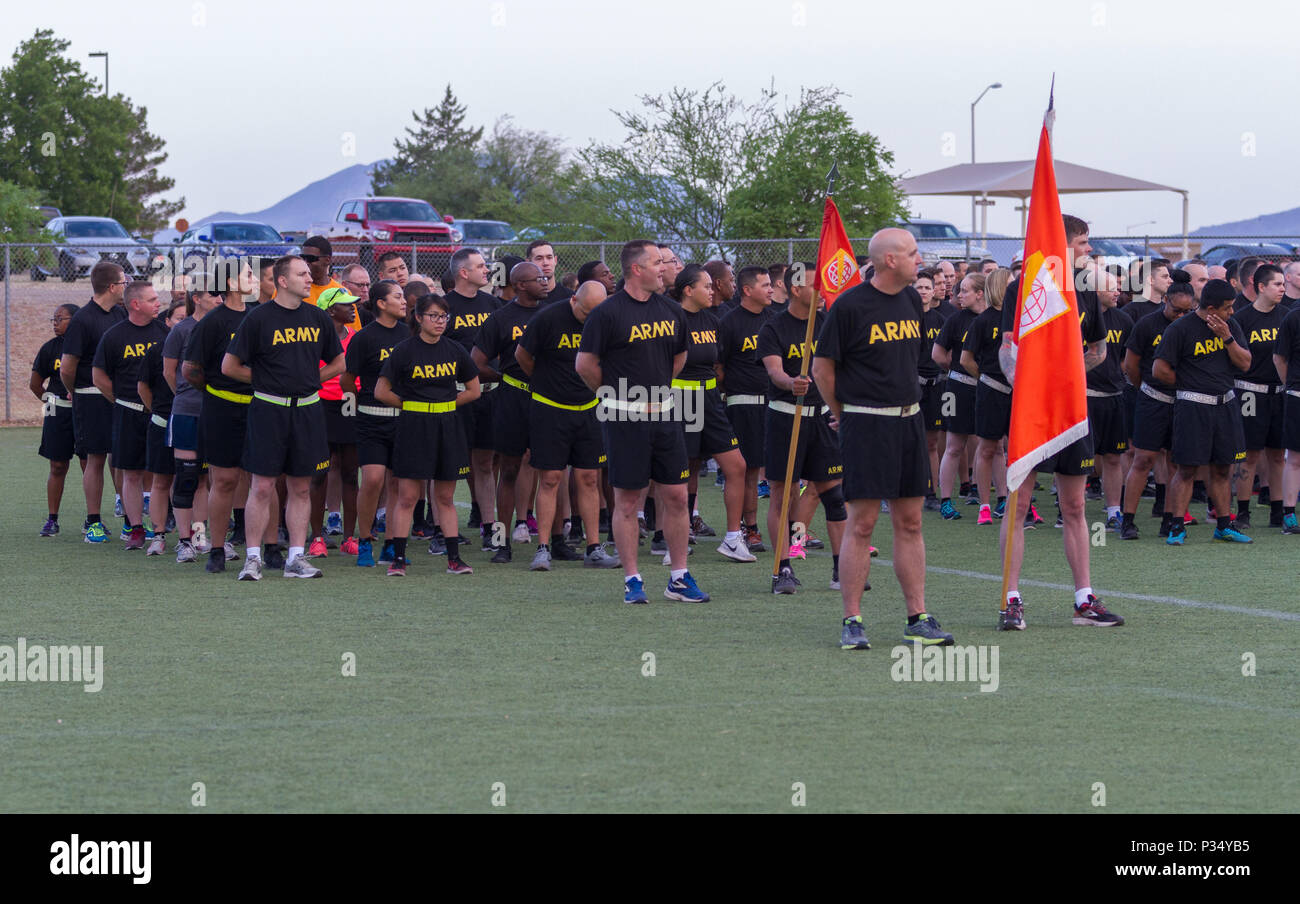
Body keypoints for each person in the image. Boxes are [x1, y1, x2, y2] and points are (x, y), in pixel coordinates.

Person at [811, 227, 949, 650]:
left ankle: (917, 617)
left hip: (909, 421)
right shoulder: (850, 306)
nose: (918, 258)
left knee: (910, 521)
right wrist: (845, 416)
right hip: (866, 425)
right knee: (863, 523)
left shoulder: (911, 299)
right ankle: (852, 619)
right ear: (889, 260)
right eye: (911, 253)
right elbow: (822, 370)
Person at [997, 214, 1123, 628]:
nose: (1089, 249)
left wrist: (1070, 381)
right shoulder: (1023, 287)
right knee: (1019, 505)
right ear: (1061, 243)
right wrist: (1035, 389)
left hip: (1073, 411)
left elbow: (1100, 349)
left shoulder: (1085, 289)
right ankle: (1010, 598)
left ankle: (1084, 599)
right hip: (1032, 412)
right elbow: (1007, 350)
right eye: (1083, 242)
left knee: (1073, 505)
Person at [576, 240, 707, 604]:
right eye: (656, 263)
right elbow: (585, 365)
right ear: (637, 269)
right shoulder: (607, 313)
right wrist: (618, 396)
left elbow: (678, 357)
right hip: (622, 415)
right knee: (627, 499)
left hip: (666, 411)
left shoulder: (671, 310)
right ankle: (633, 579)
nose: (664, 268)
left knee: (677, 495)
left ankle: (679, 577)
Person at [222, 254, 346, 580]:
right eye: (302, 274)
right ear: (282, 280)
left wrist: (307, 381)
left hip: (307, 409)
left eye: (309, 273)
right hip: (268, 409)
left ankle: (295, 558)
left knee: (301, 488)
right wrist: (268, 382)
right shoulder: (258, 318)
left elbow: (339, 363)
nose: (309, 278)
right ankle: (252, 558)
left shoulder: (317, 318)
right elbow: (229, 366)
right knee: (262, 487)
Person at [515, 280, 620, 570]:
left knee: (589, 479)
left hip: (588, 409)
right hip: (549, 409)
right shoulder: (547, 318)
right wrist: (546, 383)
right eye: (586, 312)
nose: (590, 319)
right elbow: (522, 356)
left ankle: (593, 548)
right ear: (574, 299)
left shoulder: (604, 320)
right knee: (550, 479)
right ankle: (543, 548)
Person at [373, 293, 480, 576]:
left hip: (448, 427)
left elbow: (474, 390)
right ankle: (398, 559)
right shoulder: (404, 350)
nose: (439, 321)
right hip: (414, 427)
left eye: (443, 316)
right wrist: (412, 407)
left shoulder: (455, 349)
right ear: (418, 318)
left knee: (444, 497)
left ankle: (454, 559)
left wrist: (444, 406)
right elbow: (381, 391)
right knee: (408, 496)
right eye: (433, 315)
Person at [760, 264, 847, 593]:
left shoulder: (829, 324)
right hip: (786, 416)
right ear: (796, 290)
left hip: (823, 417)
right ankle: (782, 569)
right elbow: (774, 371)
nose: (823, 292)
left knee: (834, 495)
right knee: (783, 496)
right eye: (816, 286)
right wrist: (790, 383)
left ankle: (843, 568)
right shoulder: (774, 328)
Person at [1155, 279, 1252, 545]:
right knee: (1186, 469)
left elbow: (1245, 363)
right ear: (1210, 308)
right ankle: (1176, 526)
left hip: (1226, 405)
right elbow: (1159, 369)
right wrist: (1190, 385)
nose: (1231, 312)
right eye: (1227, 308)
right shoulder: (1180, 328)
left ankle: (1223, 525)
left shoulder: (1231, 327)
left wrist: (1227, 338)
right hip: (1192, 407)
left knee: (1223, 469)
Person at [669, 265, 751, 563]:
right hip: (681, 396)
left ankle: (732, 538)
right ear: (688, 290)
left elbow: (718, 364)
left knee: (736, 465)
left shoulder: (713, 319)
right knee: (683, 469)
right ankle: (676, 537)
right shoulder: (672, 318)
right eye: (706, 285)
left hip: (711, 397)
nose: (712, 290)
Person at [471, 261, 547, 562]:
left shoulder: (552, 313)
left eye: (545, 277)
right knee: (510, 469)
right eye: (537, 279)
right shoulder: (500, 318)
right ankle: (502, 543)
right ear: (519, 285)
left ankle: (553, 541)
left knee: (550, 471)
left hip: (548, 399)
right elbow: (475, 362)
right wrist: (502, 378)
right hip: (512, 399)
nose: (544, 282)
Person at [183, 268, 256, 573]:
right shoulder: (213, 321)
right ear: (229, 283)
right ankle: (216, 548)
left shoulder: (258, 316)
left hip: (260, 407)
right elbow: (190, 370)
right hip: (222, 410)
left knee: (263, 481)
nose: (253, 278)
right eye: (247, 273)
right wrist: (215, 391)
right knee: (224, 479)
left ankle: (269, 548)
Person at [92, 281, 169, 549]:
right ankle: (135, 527)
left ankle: (163, 526)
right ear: (136, 304)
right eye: (152, 299)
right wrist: (122, 401)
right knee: (131, 474)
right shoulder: (114, 336)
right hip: (129, 413)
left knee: (161, 471)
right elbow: (98, 376)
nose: (158, 303)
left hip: (158, 413)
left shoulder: (164, 331)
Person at [1118, 281, 1195, 539]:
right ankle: (1127, 520)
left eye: (1188, 310)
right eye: (1177, 310)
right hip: (1152, 398)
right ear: (1165, 301)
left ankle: (1170, 519)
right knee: (1143, 459)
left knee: (1177, 462)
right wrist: (1146, 390)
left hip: (1184, 401)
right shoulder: (1147, 324)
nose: (1182, 316)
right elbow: (1131, 364)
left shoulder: (1195, 326)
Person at [341, 280, 408, 566]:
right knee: (372, 480)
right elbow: (347, 379)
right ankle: (365, 539)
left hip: (403, 421)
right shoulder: (364, 337)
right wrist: (364, 402)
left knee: (397, 485)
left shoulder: (408, 335)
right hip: (370, 419)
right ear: (381, 303)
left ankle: (392, 543)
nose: (404, 301)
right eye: (398, 296)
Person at [60, 261, 127, 543]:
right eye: (123, 282)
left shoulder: (121, 314)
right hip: (90, 399)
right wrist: (76, 391)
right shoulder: (83, 319)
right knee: (95, 459)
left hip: (119, 400)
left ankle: (131, 523)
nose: (126, 286)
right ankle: (94, 522)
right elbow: (67, 367)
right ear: (112, 287)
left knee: (122, 460)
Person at [444, 247, 501, 541]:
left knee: (485, 463)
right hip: (455, 396)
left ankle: (490, 526)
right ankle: (443, 529)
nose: (486, 270)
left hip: (489, 394)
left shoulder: (492, 303)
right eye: (480, 266)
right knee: (450, 462)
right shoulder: (442, 305)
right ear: (463, 273)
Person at [717, 266, 775, 550]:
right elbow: (719, 367)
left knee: (784, 472)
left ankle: (795, 530)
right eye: (764, 285)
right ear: (747, 290)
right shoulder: (729, 322)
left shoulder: (774, 319)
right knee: (750, 471)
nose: (771, 289)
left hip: (775, 404)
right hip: (744, 405)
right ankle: (749, 528)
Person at [164, 282, 221, 562]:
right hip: (187, 413)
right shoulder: (181, 330)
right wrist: (186, 398)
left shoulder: (222, 327)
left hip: (215, 413)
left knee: (204, 479)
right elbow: (169, 372)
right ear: (196, 298)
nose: (219, 299)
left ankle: (199, 537)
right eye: (213, 294)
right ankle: (184, 541)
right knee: (185, 477)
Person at [1229, 263, 1287, 529]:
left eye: (1284, 284)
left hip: (1279, 393)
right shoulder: (1242, 318)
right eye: (1277, 284)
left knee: (1277, 455)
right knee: (1249, 454)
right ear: (1260, 286)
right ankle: (1243, 512)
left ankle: (1279, 510)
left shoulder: (1287, 317)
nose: (1282, 288)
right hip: (1250, 392)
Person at [307, 288, 360, 558]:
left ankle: (350, 537)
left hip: (351, 406)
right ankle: (317, 537)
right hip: (321, 406)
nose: (353, 309)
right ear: (330, 311)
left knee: (351, 473)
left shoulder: (357, 338)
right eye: (346, 305)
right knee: (318, 474)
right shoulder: (314, 337)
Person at [931, 273, 985, 519]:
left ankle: (992, 500)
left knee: (993, 446)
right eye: (959, 290)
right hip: (956, 388)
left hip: (987, 389)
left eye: (964, 291)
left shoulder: (995, 317)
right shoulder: (955, 320)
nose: (958, 295)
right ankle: (945, 500)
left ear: (980, 293)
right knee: (954, 446)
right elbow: (938, 354)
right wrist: (956, 371)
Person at [1085, 269, 1134, 531]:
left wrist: (1116, 375)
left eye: (1118, 286)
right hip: (1085, 397)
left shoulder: (1124, 320)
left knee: (1114, 456)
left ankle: (1114, 511)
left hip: (1114, 396)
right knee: (1080, 456)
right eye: (1111, 287)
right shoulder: (1079, 318)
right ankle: (1067, 508)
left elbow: (1127, 357)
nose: (1117, 292)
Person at [960, 271, 1010, 526]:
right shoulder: (983, 321)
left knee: (1008, 448)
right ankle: (984, 505)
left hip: (1016, 393)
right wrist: (985, 378)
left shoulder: (1020, 319)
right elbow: (965, 359)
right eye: (1011, 284)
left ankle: (1007, 499)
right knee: (987, 447)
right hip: (991, 392)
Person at [137, 302, 187, 554]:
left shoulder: (200, 347)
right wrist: (156, 410)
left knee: (192, 481)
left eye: (187, 317)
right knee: (161, 481)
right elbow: (142, 387)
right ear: (167, 322)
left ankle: (192, 537)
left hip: (190, 421)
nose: (184, 322)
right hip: (162, 421)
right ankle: (158, 535)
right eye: (179, 318)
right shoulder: (158, 350)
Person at [30, 304, 82, 536]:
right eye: (53, 319)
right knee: (58, 465)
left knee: (90, 464)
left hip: (85, 410)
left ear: (76, 320)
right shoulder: (49, 349)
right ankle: (52, 519)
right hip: (57, 411)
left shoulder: (87, 347)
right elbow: (35, 383)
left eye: (60, 319)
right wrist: (50, 401)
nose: (55, 323)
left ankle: (93, 520)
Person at [915, 269, 946, 510]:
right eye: (919, 287)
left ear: (934, 291)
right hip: (910, 386)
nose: (923, 291)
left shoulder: (941, 320)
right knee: (905, 442)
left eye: (927, 287)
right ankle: (895, 492)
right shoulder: (904, 320)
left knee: (931, 443)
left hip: (935, 386)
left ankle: (931, 493)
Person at [302, 236, 344, 305]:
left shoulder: (341, 293)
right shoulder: (292, 290)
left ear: (327, 260)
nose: (305, 262)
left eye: (310, 258)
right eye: (303, 258)